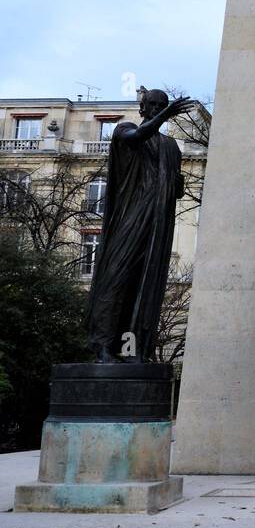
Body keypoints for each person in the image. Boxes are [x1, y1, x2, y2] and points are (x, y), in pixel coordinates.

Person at [86, 88, 194, 363]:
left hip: (158, 224)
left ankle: (130, 349)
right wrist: (167, 115)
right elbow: (137, 137)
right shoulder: (125, 129)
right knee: (116, 279)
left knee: (144, 287)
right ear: (143, 107)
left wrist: (175, 185)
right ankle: (102, 346)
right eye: (153, 104)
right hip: (130, 218)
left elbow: (177, 187)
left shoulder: (171, 146)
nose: (157, 108)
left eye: (163, 105)